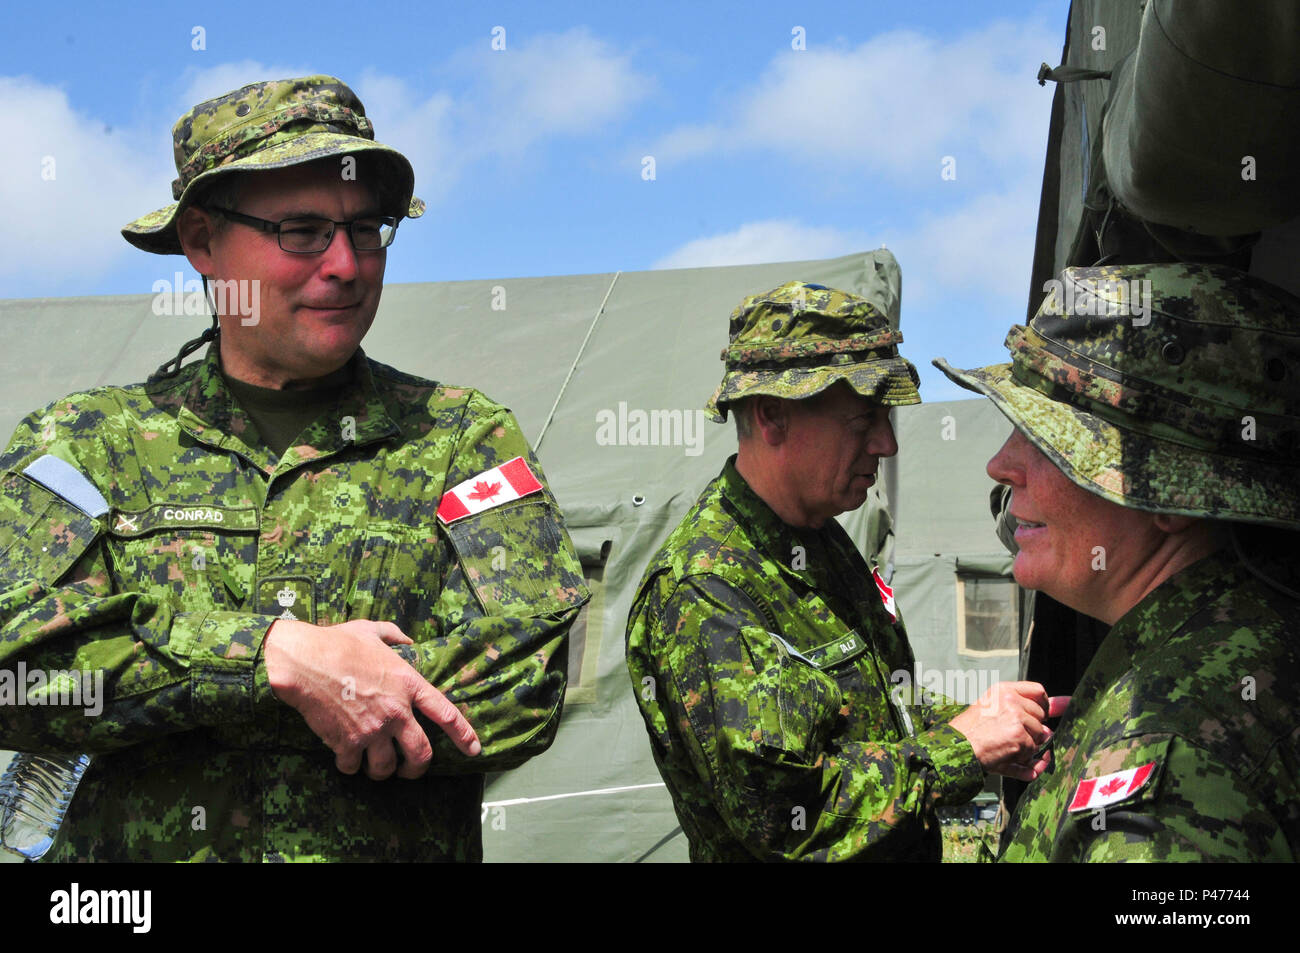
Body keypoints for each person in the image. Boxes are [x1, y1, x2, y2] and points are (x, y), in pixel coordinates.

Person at [0, 75, 588, 861]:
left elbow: (523, 683)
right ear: (204, 242)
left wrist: (304, 682)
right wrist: (276, 657)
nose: (346, 264)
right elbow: (15, 660)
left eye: (367, 229)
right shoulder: (85, 446)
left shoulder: (460, 438)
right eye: (303, 231)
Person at [625, 258, 1057, 862]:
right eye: (865, 420)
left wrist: (994, 722)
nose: (887, 443)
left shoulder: (819, 539)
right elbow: (786, 816)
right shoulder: (707, 589)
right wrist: (962, 748)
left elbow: (869, 714)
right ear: (772, 414)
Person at [935, 262, 1300, 861]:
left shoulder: (1172, 740)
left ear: (1173, 498)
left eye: (1051, 440)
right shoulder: (1223, 651)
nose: (1001, 465)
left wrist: (1134, 731)